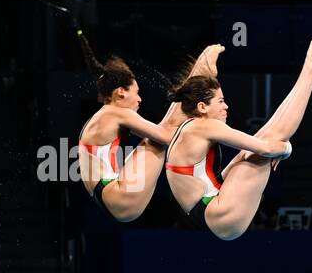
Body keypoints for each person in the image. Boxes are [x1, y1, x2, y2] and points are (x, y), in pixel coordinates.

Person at [163, 34, 312, 240]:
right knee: (271, 139)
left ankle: (310, 70)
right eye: (221, 101)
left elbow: (259, 147)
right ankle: (310, 72)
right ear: (202, 107)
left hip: (210, 208)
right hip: (218, 213)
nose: (226, 106)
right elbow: (266, 148)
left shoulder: (189, 125)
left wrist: (271, 149)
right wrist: (286, 148)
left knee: (257, 146)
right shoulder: (203, 126)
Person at [77, 45, 220, 222]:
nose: (140, 99)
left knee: (155, 139)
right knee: (158, 140)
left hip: (112, 200)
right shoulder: (116, 112)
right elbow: (167, 136)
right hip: (120, 197)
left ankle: (199, 73)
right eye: (137, 93)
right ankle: (199, 74)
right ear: (121, 92)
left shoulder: (102, 117)